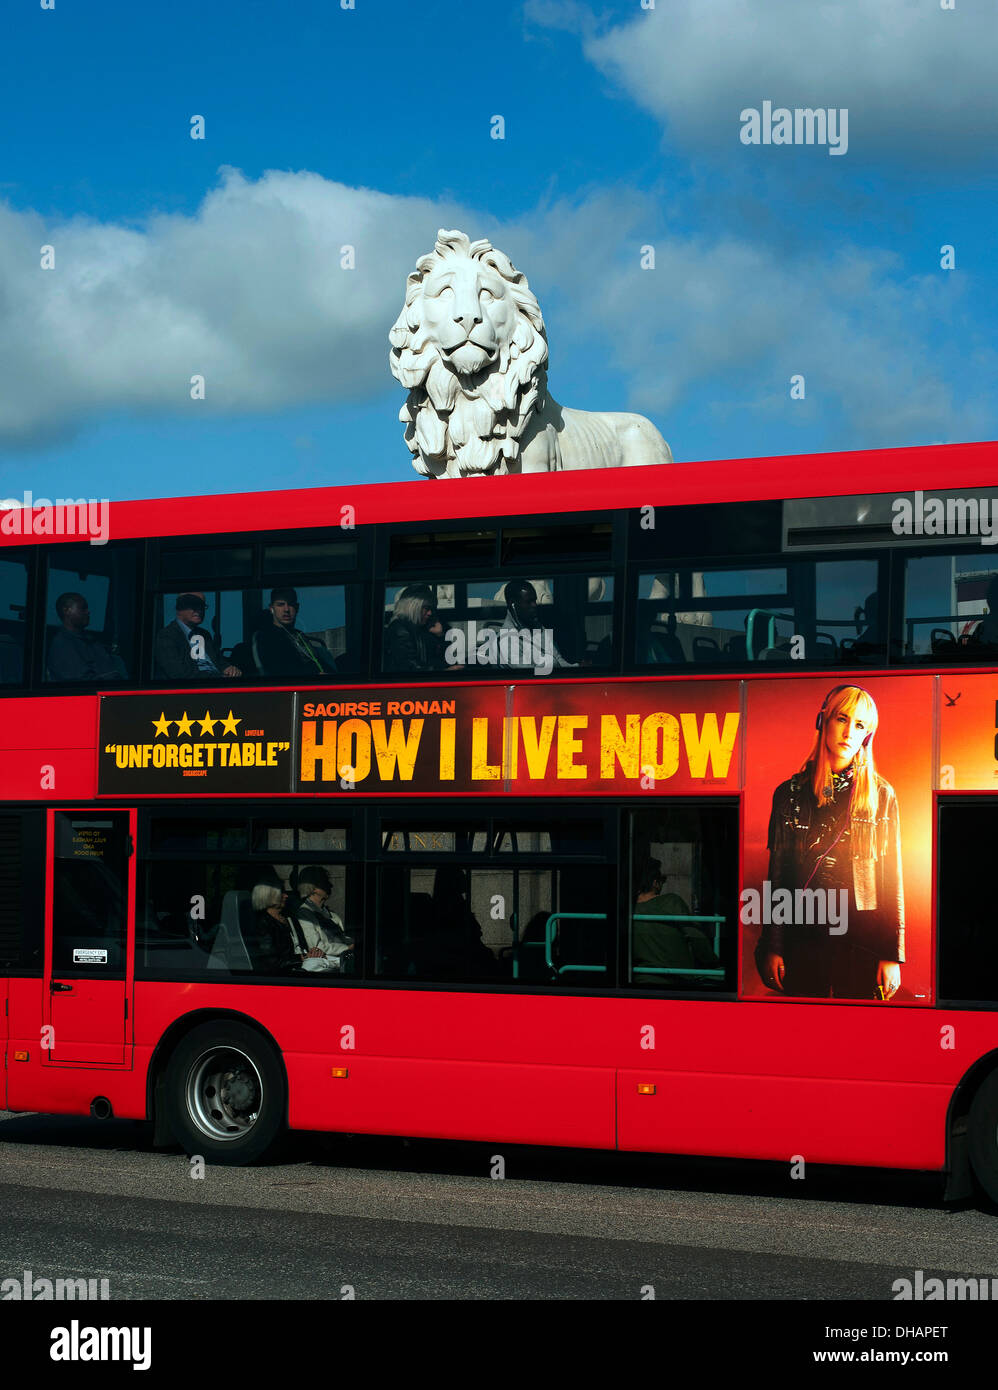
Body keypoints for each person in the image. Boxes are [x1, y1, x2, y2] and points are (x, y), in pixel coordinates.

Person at [757, 684, 904, 1001]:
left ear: (867, 735)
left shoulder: (880, 795)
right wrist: (774, 945)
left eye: (860, 725)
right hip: (804, 934)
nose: (849, 731)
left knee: (859, 1040)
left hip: (863, 938)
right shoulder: (790, 794)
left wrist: (892, 954)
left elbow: (893, 880)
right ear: (823, 721)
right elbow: (778, 877)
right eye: (842, 718)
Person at [632, 858, 719, 977]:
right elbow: (696, 938)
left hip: (643, 979)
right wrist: (713, 962)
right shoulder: (671, 902)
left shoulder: (628, 910)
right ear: (655, 883)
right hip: (678, 981)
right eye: (662, 880)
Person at [254, 587, 337, 677]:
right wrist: (315, 675)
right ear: (271, 608)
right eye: (280, 605)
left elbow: (318, 661)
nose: (286, 609)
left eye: (290, 604)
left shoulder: (299, 635)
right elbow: (281, 669)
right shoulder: (266, 638)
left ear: (297, 608)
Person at [154, 593, 241, 679]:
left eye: (202, 606)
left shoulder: (204, 634)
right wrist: (218, 678)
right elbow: (178, 673)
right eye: (193, 604)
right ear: (179, 608)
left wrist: (229, 668)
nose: (199, 609)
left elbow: (219, 661)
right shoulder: (167, 635)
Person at [47, 592, 127, 682]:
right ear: (67, 611)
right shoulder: (62, 645)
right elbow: (82, 682)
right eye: (83, 608)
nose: (88, 612)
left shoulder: (91, 640)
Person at [500, 580, 577, 670]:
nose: (534, 605)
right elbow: (527, 674)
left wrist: (577, 668)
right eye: (528, 602)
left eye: (535, 601)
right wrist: (553, 664)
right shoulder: (506, 640)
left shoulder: (539, 628)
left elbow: (558, 659)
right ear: (512, 604)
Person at [290, 867, 355, 973]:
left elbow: (342, 938)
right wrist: (347, 948)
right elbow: (317, 947)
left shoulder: (331, 915)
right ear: (314, 888)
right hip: (329, 964)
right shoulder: (304, 913)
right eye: (325, 882)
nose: (331, 886)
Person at [383, 585, 446, 672]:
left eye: (431, 609)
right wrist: (443, 671)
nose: (430, 613)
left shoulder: (421, 629)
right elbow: (410, 668)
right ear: (413, 607)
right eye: (426, 608)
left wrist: (439, 635)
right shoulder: (400, 629)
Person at [247, 876, 297, 974]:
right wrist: (299, 959)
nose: (286, 896)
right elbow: (271, 961)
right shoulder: (263, 923)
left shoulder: (288, 917)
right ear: (270, 896)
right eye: (281, 893)